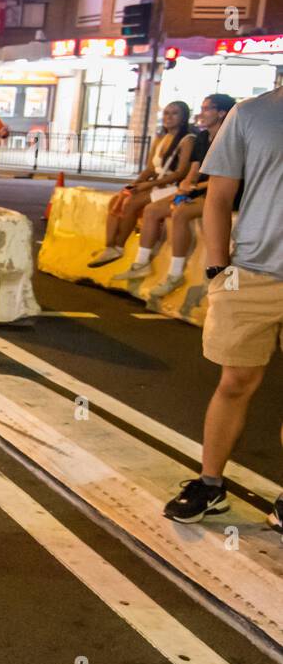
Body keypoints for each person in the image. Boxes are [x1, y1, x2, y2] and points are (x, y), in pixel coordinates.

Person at [164, 86, 283, 526]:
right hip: (251, 272)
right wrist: (218, 271)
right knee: (235, 381)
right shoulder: (251, 114)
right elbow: (217, 197)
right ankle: (210, 485)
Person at [121, 94, 236, 288]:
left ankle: (176, 275)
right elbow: (193, 170)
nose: (202, 113)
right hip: (198, 190)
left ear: (222, 112)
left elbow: (228, 180)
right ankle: (140, 263)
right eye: (202, 107)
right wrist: (186, 186)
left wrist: (193, 188)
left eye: (207, 108)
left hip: (220, 194)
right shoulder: (202, 137)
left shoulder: (230, 139)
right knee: (152, 210)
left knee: (181, 213)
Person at [88, 101, 195, 268]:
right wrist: (135, 183)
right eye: (166, 113)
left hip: (173, 186)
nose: (168, 117)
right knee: (118, 199)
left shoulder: (187, 140)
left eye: (174, 113)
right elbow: (151, 168)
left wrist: (147, 185)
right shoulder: (161, 138)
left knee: (132, 203)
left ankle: (119, 246)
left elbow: (180, 173)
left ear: (183, 118)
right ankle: (109, 245)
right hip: (157, 183)